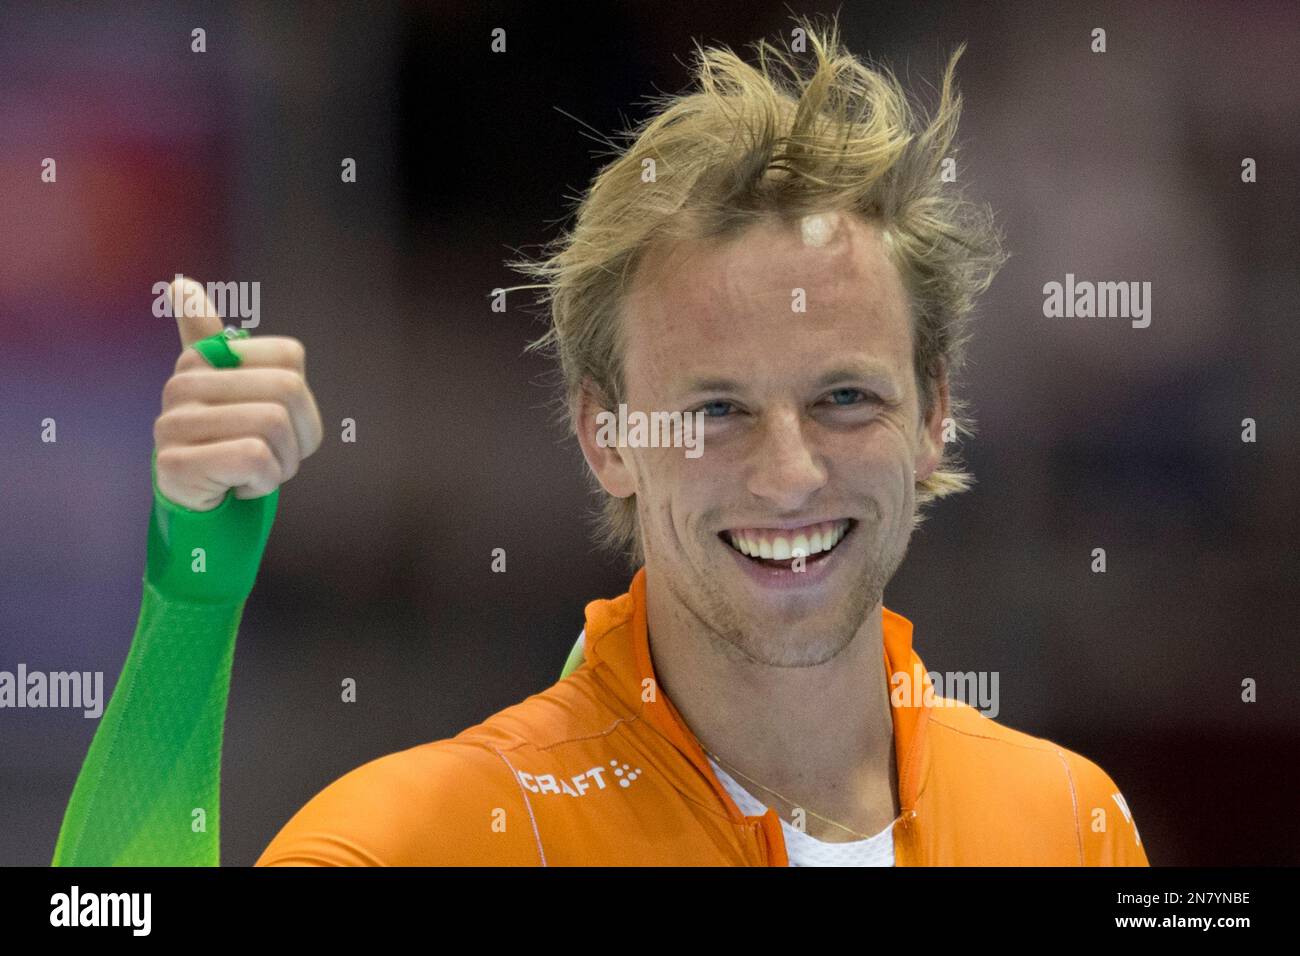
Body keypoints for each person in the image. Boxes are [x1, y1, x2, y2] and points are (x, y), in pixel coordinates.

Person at [53, 16, 1148, 867]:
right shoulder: (436, 833)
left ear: (936, 413)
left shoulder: (1065, 818)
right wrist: (191, 593)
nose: (789, 473)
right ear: (605, 435)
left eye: (846, 397)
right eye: (715, 408)